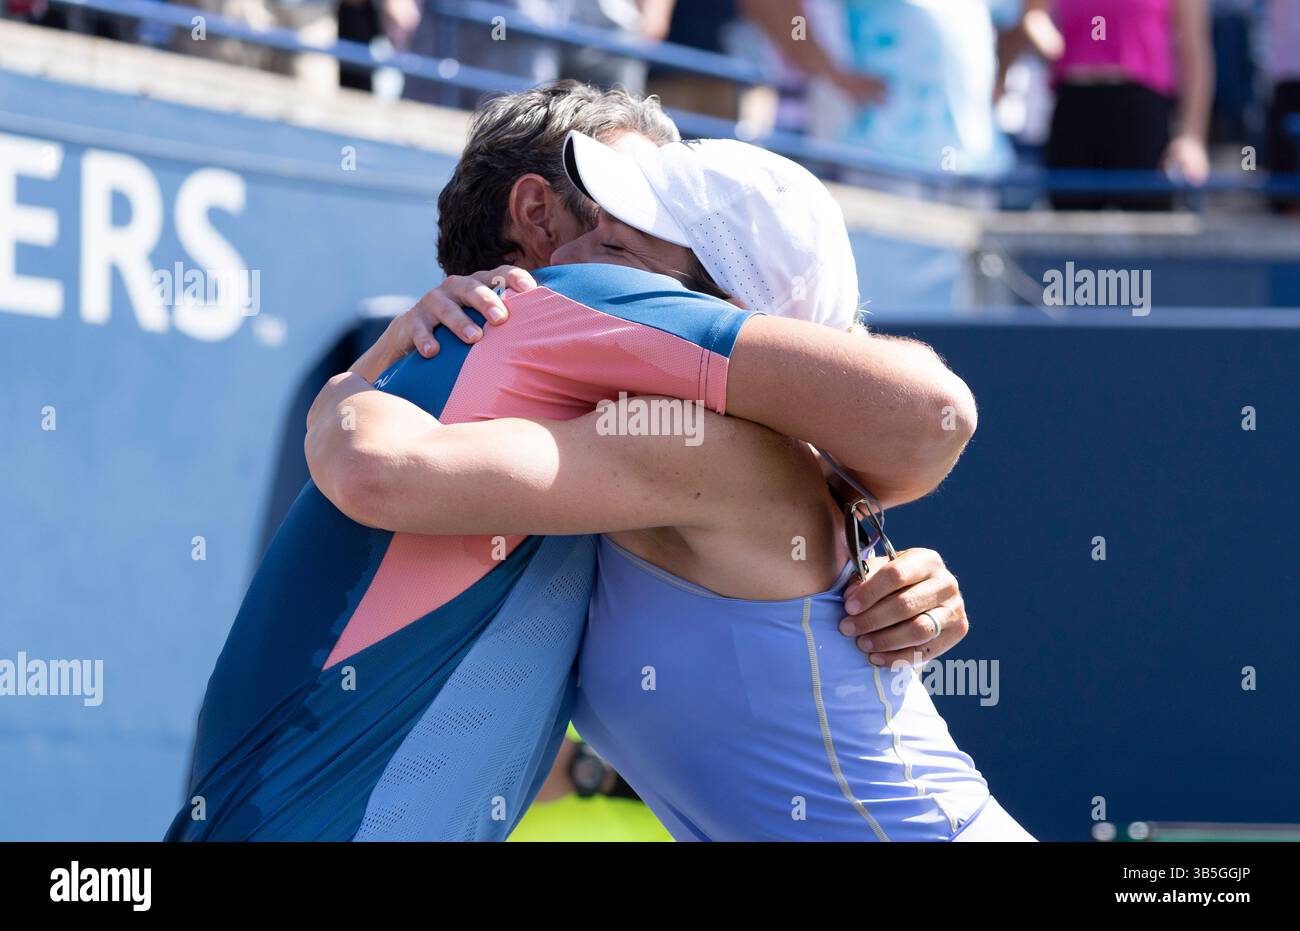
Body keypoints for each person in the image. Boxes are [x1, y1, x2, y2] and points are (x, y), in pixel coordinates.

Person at [168, 81, 975, 842]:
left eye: (640, 216)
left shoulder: (634, 414)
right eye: (615, 204)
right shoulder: (577, 358)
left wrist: (342, 395)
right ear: (537, 215)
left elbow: (919, 418)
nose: (614, 236)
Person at [1041, 0, 1214, 210]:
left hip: (1141, 112)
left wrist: (1192, 137)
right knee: (1069, 228)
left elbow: (1194, 49)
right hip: (1073, 107)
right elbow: (1034, 17)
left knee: (1147, 224)